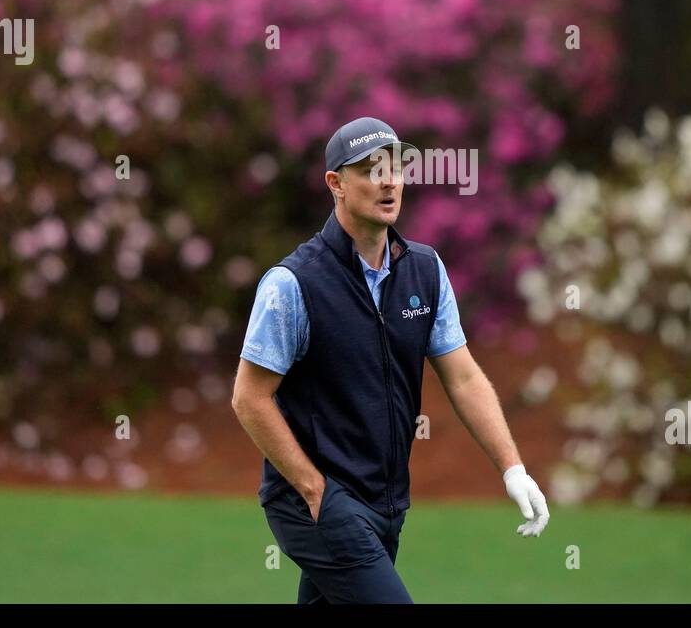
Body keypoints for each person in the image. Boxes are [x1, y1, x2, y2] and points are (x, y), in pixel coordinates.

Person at [231, 116, 550, 603]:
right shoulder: (293, 283)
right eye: (369, 170)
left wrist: (512, 468)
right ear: (335, 184)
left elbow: (463, 378)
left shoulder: (424, 269)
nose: (388, 180)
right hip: (316, 504)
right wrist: (314, 490)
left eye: (395, 166)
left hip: (387, 503)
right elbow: (250, 397)